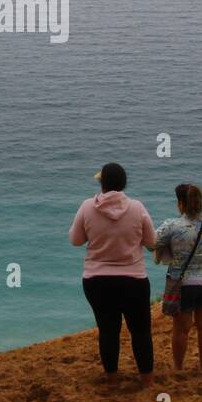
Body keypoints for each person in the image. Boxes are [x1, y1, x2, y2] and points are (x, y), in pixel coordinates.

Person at [70, 162, 157, 386]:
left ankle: (112, 377)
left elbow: (76, 240)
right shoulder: (137, 207)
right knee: (140, 331)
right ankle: (146, 379)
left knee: (108, 330)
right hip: (134, 281)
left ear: (102, 184)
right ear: (123, 184)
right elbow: (152, 242)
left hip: (97, 281)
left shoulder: (87, 206)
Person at [154, 184, 202, 371]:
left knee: (181, 329)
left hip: (184, 284)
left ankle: (179, 367)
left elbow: (151, 243)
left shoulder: (172, 225)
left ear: (180, 203)